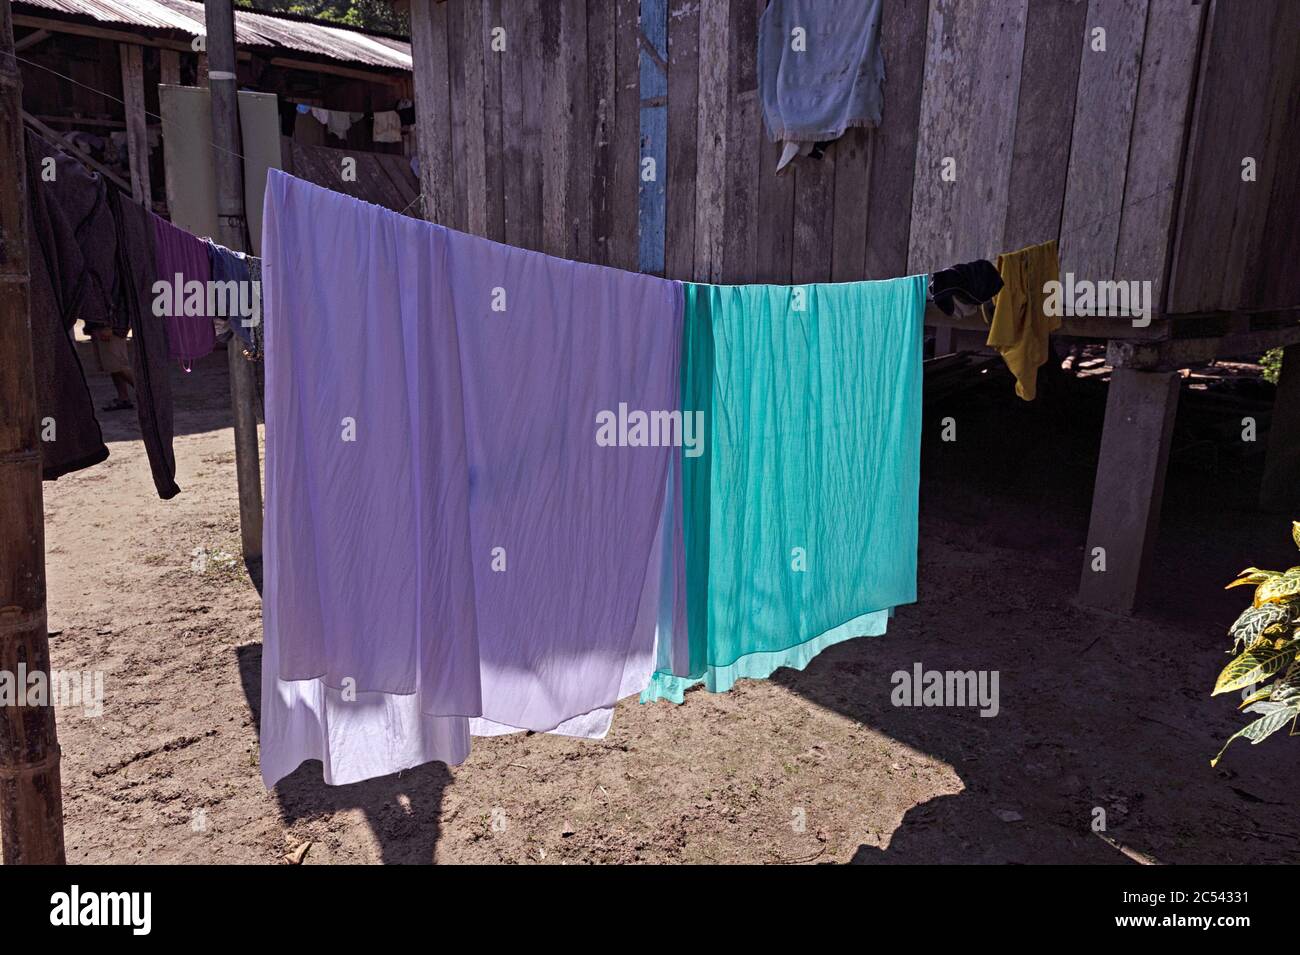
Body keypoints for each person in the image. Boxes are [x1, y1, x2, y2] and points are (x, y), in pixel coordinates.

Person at [86, 321, 134, 411]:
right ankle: (123, 398)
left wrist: (107, 326)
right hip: (103, 326)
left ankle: (146, 393)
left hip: (110, 327)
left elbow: (114, 307)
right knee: (112, 366)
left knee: (118, 365)